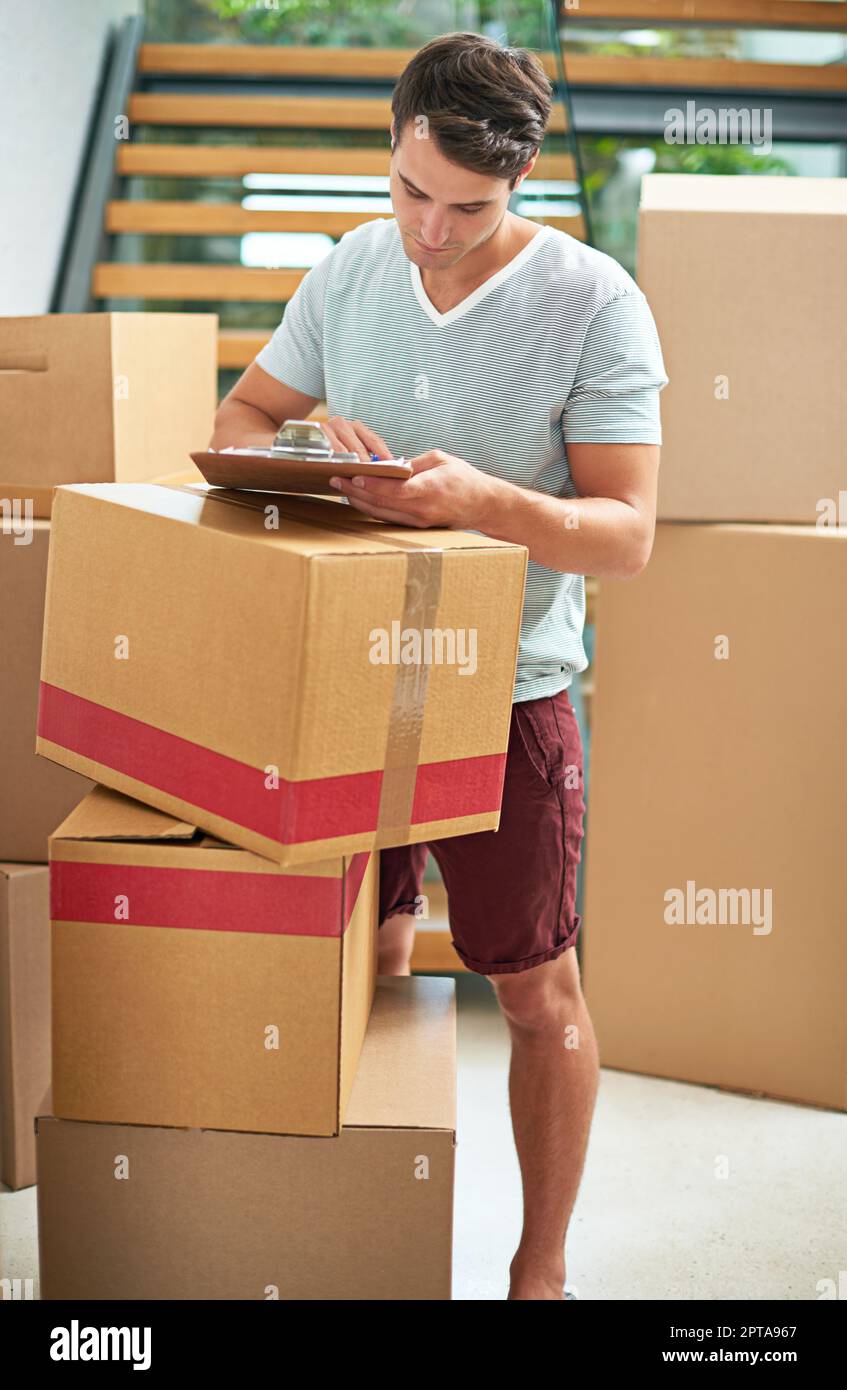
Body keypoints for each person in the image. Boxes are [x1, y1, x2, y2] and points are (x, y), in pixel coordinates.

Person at [211, 31, 668, 1300]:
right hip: (344, 677)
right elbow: (237, 421)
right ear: (394, 141)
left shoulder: (592, 298)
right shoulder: (351, 266)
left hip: (503, 691)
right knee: (363, 954)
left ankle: (540, 1271)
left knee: (533, 988)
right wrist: (300, 432)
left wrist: (480, 503)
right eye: (412, 191)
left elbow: (625, 536)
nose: (429, 228)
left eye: (466, 208)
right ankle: (367, 1243)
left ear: (516, 180)